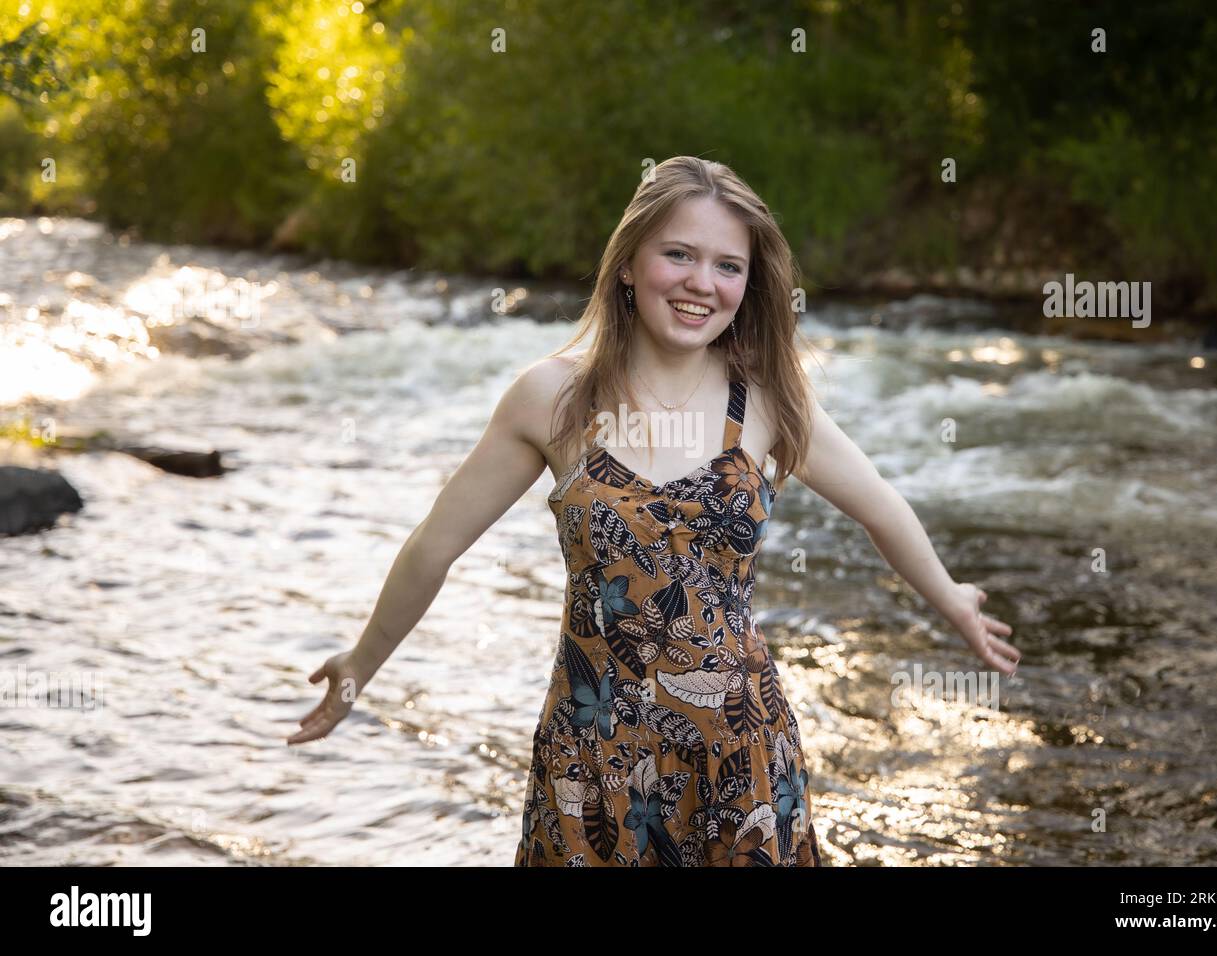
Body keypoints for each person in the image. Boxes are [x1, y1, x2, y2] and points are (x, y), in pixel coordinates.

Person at [287, 156, 1020, 867]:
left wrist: (951, 599)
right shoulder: (552, 399)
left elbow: (882, 508)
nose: (703, 283)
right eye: (679, 255)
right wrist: (360, 665)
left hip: (740, 752)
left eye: (728, 266)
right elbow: (432, 548)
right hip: (592, 757)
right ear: (629, 263)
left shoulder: (766, 402)